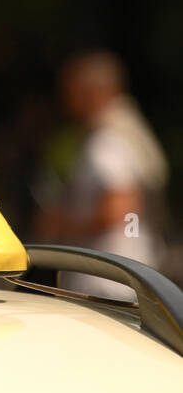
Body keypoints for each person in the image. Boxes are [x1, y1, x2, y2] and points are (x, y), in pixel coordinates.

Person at [38, 51, 169, 298]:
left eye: (71, 90)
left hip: (106, 280)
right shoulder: (124, 131)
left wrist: (59, 224)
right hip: (123, 275)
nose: (65, 98)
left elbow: (118, 208)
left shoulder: (107, 141)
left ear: (92, 92)